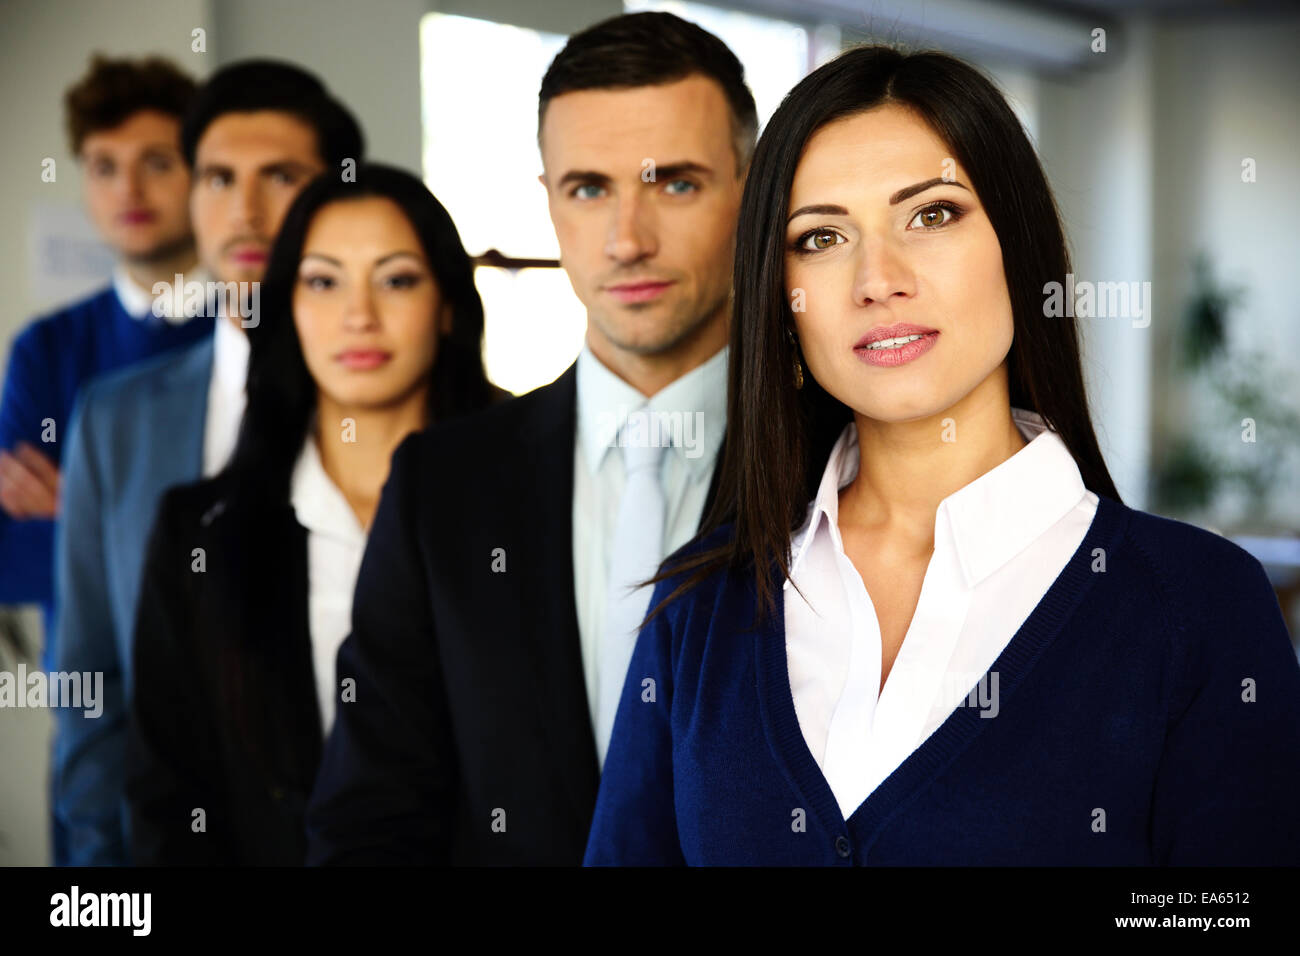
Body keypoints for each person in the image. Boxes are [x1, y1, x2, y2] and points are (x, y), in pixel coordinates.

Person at [584, 45, 1300, 866]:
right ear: (782, 300)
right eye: (821, 237)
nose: (877, 279)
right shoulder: (699, 606)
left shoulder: (1199, 608)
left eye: (931, 215)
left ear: (1018, 249)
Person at [306, 12, 764, 865]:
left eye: (676, 184)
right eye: (589, 189)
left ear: (752, 188)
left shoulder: (838, 463)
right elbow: (370, 821)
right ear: (549, 199)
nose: (628, 240)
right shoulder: (442, 488)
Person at [126, 164, 503, 865]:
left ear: (449, 305)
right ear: (287, 307)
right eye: (324, 282)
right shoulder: (197, 530)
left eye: (397, 279)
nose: (359, 315)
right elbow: (166, 798)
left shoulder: (521, 503)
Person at [52, 59, 364, 867]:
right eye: (218, 179)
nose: (245, 212)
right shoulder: (115, 419)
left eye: (281, 177)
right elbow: (89, 678)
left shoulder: (404, 409)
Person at [0, 55, 208, 664]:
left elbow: (258, 548)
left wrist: (86, 511)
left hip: (235, 686)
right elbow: (7, 555)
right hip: (92, 688)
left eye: (157, 163)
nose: (128, 189)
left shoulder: (255, 331)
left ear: (202, 173)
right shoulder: (46, 348)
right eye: (104, 167)